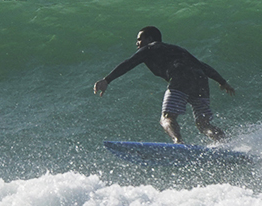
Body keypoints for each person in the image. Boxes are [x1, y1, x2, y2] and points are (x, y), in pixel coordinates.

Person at [93, 26, 235, 144]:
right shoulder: (176, 49)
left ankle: (178, 142)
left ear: (149, 39)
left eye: (139, 39)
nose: (137, 43)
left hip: (181, 77)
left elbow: (129, 63)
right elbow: (202, 65)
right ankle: (227, 143)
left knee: (167, 118)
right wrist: (222, 82)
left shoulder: (149, 49)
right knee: (203, 124)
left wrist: (107, 80)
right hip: (201, 79)